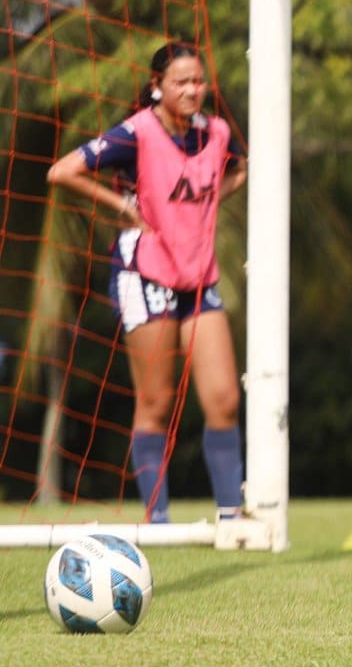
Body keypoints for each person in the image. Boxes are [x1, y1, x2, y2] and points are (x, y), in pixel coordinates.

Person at [47, 41, 247, 523]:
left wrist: (209, 204)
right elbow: (62, 171)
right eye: (181, 82)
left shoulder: (217, 132)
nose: (192, 90)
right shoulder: (136, 133)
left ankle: (232, 517)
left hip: (199, 278)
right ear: (157, 86)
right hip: (145, 275)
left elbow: (241, 170)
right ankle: (157, 520)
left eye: (198, 81)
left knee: (224, 398)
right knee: (156, 401)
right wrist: (121, 204)